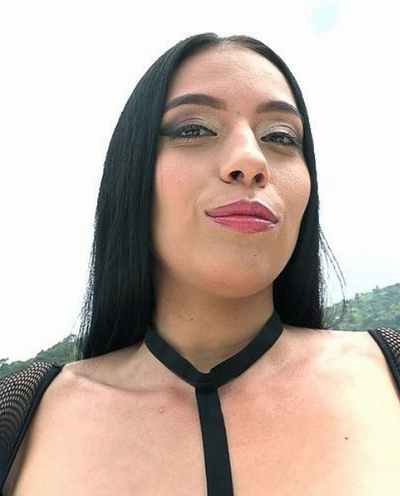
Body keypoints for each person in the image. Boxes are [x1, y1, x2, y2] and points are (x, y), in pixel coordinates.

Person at [1, 33, 400, 496]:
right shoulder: (20, 417)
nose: (251, 159)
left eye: (281, 137)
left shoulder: (388, 371)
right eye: (194, 129)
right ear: (131, 171)